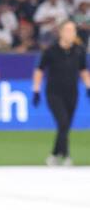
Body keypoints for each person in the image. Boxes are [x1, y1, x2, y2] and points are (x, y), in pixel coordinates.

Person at [32, 20, 89, 166]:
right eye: (68, 30)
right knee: (63, 122)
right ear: (61, 32)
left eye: (73, 30)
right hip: (54, 93)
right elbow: (39, 69)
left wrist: (88, 86)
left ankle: (54, 154)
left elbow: (83, 70)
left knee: (65, 126)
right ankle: (66, 155)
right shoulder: (50, 50)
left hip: (72, 93)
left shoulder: (79, 50)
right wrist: (36, 89)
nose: (71, 33)